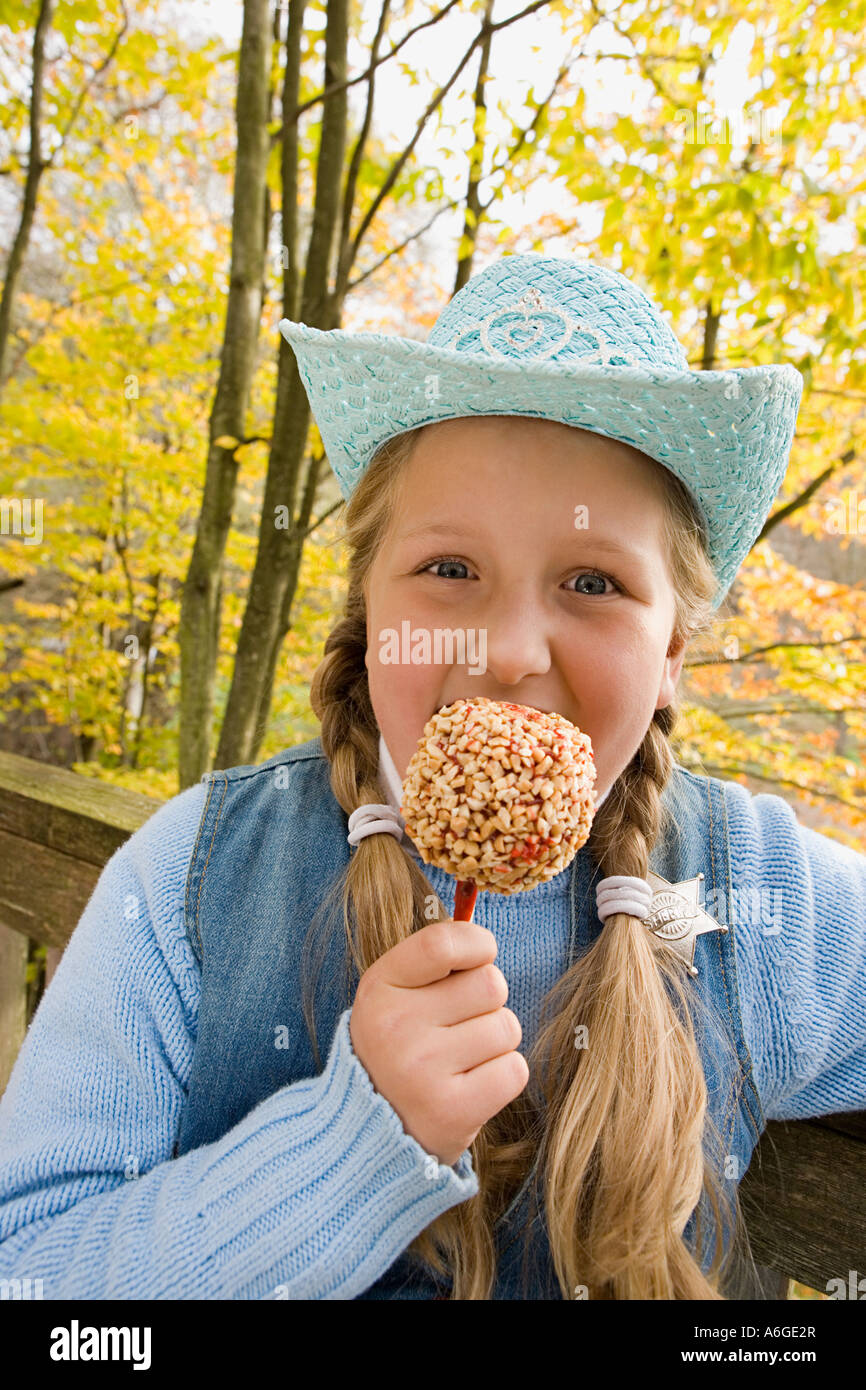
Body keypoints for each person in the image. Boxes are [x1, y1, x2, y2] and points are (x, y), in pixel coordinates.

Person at [1, 254, 863, 1301]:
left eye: (591, 582)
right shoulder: (188, 877)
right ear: (368, 610)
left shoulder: (756, 895)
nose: (508, 650)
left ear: (671, 651)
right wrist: (350, 1144)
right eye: (449, 570)